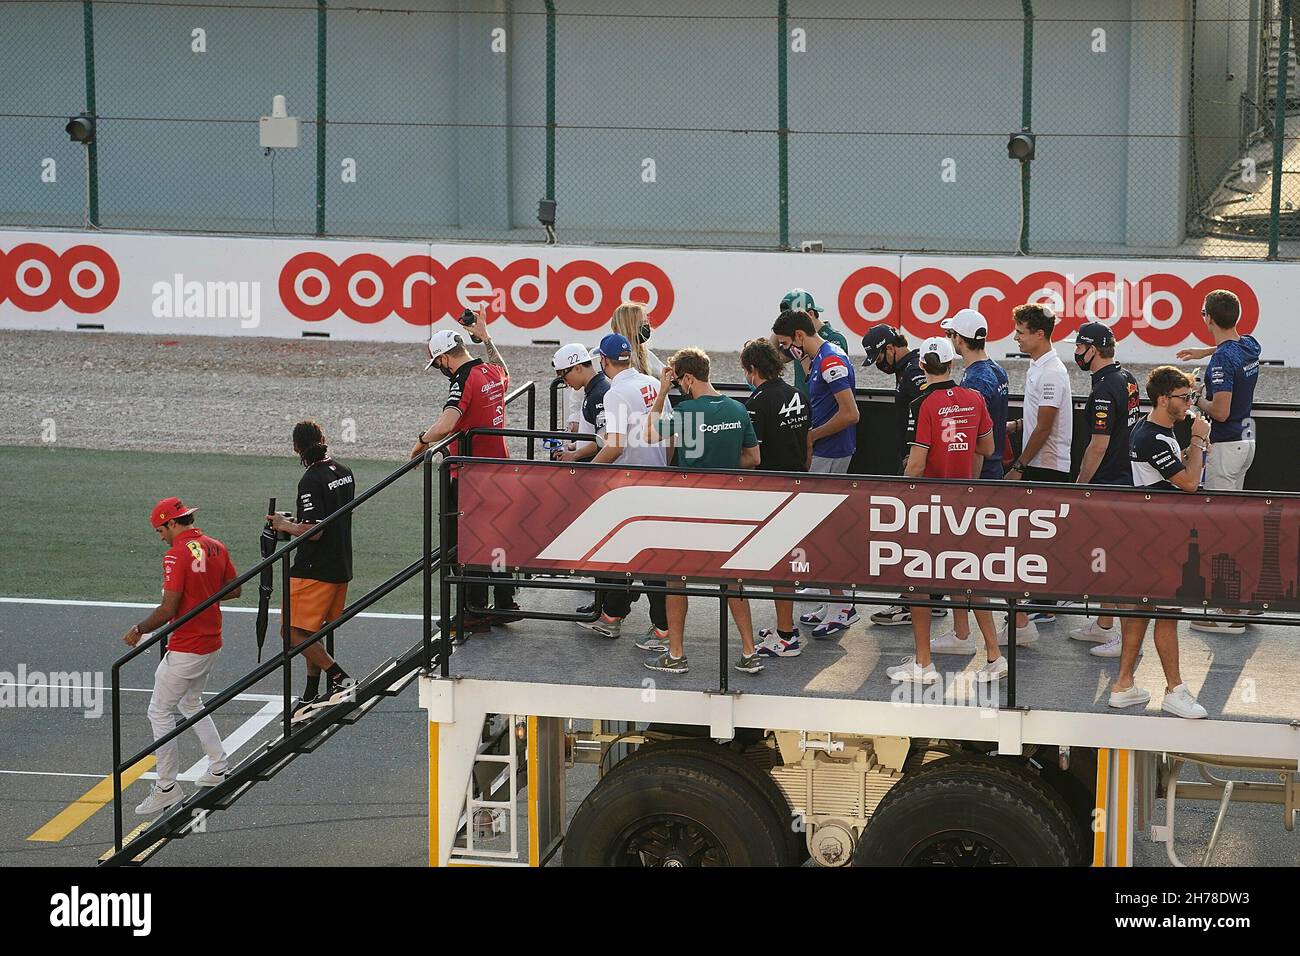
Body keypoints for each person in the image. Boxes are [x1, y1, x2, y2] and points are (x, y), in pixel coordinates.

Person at [886, 338, 1004, 684]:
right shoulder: (974, 397)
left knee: (918, 580)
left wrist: (901, 500)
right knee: (970, 577)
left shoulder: (923, 403)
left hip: (930, 505)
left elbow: (917, 464)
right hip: (965, 501)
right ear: (952, 364)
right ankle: (994, 656)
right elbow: (988, 446)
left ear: (922, 366)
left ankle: (923, 664)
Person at [641, 347, 763, 675]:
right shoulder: (738, 409)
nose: (678, 386)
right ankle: (750, 652)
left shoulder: (686, 411)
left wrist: (662, 391)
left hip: (689, 507)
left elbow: (648, 433)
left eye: (679, 381)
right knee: (732, 580)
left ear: (689, 377)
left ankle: (677, 654)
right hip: (728, 508)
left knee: (675, 579)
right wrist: (721, 465)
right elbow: (754, 459)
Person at [1108, 366, 1210, 719]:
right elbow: (1190, 484)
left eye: (1191, 397)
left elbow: (1173, 472)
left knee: (1141, 610)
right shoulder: (1150, 437)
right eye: (1184, 398)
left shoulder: (1156, 432)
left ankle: (1123, 685)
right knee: (1168, 612)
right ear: (1164, 399)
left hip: (1153, 534)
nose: (1189, 405)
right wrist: (1198, 440)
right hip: (1161, 536)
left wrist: (1188, 448)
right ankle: (1174, 690)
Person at [126, 497, 238, 815]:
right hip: (211, 640)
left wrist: (138, 629)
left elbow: (168, 609)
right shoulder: (215, 546)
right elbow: (235, 588)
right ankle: (218, 765)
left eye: (160, 529)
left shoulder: (175, 555)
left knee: (159, 712)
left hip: (188, 645)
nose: (159, 535)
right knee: (190, 703)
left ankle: (166, 787)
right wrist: (203, 592)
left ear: (172, 523)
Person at [412, 309, 516, 633]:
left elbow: (448, 422)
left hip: (472, 475)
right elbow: (505, 371)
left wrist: (420, 442)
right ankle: (505, 603)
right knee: (497, 537)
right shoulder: (488, 371)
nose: (439, 370)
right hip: (500, 469)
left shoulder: (463, 379)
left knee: (469, 542)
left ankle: (474, 610)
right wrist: (485, 337)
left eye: (437, 364)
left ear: (443, 359)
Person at [1177, 289, 1261, 635]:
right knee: (1234, 526)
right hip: (1246, 443)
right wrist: (1205, 351)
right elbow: (1231, 346)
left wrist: (1197, 396)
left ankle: (1229, 613)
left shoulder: (1222, 361)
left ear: (1207, 318)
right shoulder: (1249, 345)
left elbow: (1221, 411)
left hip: (1226, 448)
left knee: (1220, 531)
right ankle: (1242, 603)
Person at [773, 309, 861, 638]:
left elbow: (851, 413)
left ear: (799, 335)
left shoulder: (829, 360)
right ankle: (834, 599)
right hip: (827, 450)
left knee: (824, 532)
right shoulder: (819, 358)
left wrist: (811, 436)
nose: (784, 352)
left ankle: (843, 606)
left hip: (831, 453)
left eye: (786, 344)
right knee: (821, 529)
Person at [582, 333, 671, 643]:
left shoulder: (614, 393)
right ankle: (614, 614)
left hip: (631, 482)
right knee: (633, 552)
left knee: (642, 557)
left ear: (604, 361)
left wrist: (587, 474)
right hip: (656, 476)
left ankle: (661, 627)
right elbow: (670, 434)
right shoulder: (651, 382)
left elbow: (615, 445)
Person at [267, 421, 357, 723]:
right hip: (341, 563)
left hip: (313, 567)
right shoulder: (345, 472)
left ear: (296, 447)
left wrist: (284, 525)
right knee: (311, 631)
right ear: (323, 440)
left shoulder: (310, 480)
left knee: (290, 632)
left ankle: (340, 679)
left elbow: (314, 531)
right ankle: (310, 694)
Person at [861, 323, 947, 630]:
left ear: (890, 347)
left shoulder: (913, 371)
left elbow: (931, 410)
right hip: (917, 458)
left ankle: (914, 601)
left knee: (914, 534)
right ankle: (932, 599)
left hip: (918, 463)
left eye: (879, 358)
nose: (880, 365)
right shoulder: (908, 369)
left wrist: (915, 453)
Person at [1069, 322, 1140, 658]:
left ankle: (1125, 639)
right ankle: (1105, 623)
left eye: (1079, 348)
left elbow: (1098, 445)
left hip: (1111, 482)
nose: (1076, 354)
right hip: (1127, 478)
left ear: (1092, 350)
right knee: (1109, 557)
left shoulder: (1104, 387)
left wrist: (1080, 487)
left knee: (1115, 562)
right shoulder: (1127, 378)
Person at [1002, 303, 1073, 642]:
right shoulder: (1037, 367)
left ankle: (1046, 602)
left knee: (1042, 536)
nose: (1015, 336)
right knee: (1034, 535)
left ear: (1039, 334)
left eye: (1020, 331)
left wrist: (1019, 466)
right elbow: (1037, 421)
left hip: (1047, 466)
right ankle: (1043, 600)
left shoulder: (1052, 372)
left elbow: (1045, 427)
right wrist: (1014, 426)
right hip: (1039, 462)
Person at [741, 338, 810, 658]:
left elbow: (754, 455)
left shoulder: (757, 401)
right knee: (785, 562)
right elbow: (807, 446)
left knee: (778, 565)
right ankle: (786, 626)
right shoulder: (798, 394)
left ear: (753, 369)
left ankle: (785, 636)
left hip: (771, 488)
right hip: (797, 481)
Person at [778, 288, 850, 396]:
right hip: (804, 406)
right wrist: (781, 324)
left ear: (810, 314)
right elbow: (774, 358)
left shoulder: (834, 339)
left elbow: (833, 384)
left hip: (825, 407)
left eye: (793, 319)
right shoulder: (796, 338)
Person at [551, 343, 608, 463]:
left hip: (594, 470)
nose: (566, 383)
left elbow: (605, 439)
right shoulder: (593, 389)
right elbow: (593, 432)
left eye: (564, 376)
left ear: (578, 368)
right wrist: (575, 445)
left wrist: (575, 455)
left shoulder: (598, 395)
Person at [611, 300, 665, 377]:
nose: (646, 327)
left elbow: (668, 376)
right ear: (627, 326)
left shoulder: (645, 355)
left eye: (646, 323)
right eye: (641, 323)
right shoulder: (603, 354)